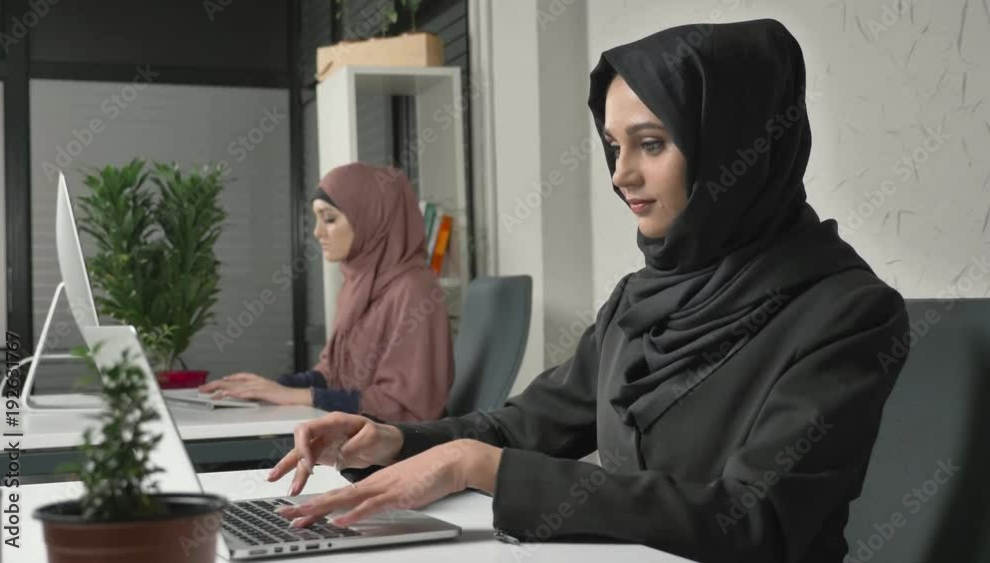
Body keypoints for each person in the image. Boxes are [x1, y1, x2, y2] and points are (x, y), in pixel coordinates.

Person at [263, 19, 910, 562]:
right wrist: (393, 440)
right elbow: (524, 425)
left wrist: (479, 466)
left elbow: (753, 519)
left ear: (736, 144)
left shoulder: (847, 313)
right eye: (612, 146)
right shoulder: (639, 297)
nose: (621, 174)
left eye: (651, 144)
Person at [199, 162, 454, 423]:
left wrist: (297, 396)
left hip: (395, 455)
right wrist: (269, 388)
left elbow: (407, 408)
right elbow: (333, 373)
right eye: (317, 219)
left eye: (329, 219)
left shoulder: (415, 289)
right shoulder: (358, 284)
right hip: (355, 442)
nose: (317, 232)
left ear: (371, 218)